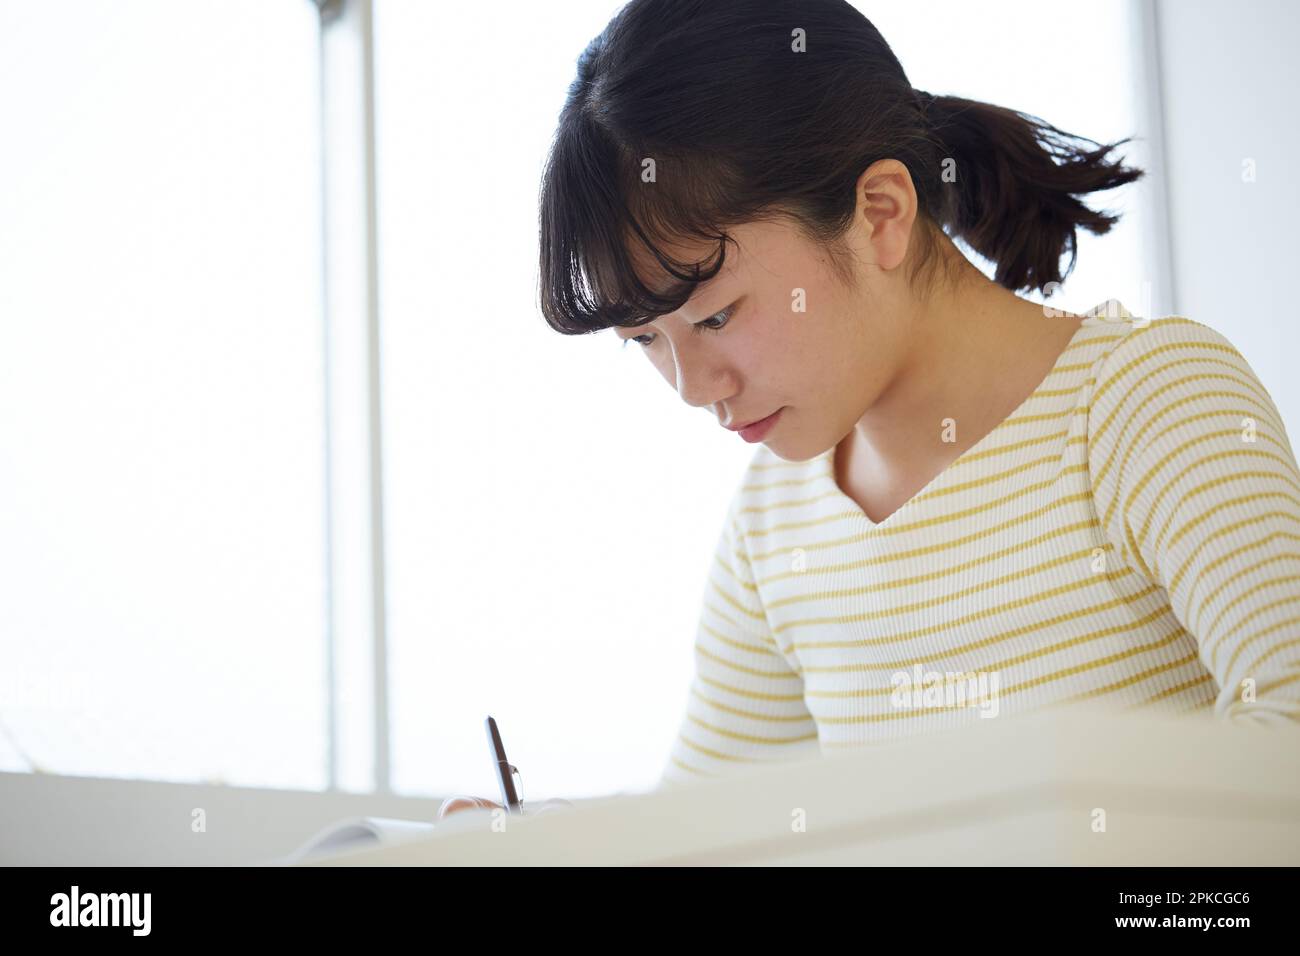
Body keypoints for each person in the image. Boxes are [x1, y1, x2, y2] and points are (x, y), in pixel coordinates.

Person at [440, 0, 1300, 818]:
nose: (693, 388)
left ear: (880, 213)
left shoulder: (1145, 404)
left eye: (715, 317)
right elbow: (709, 844)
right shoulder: (775, 524)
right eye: (645, 341)